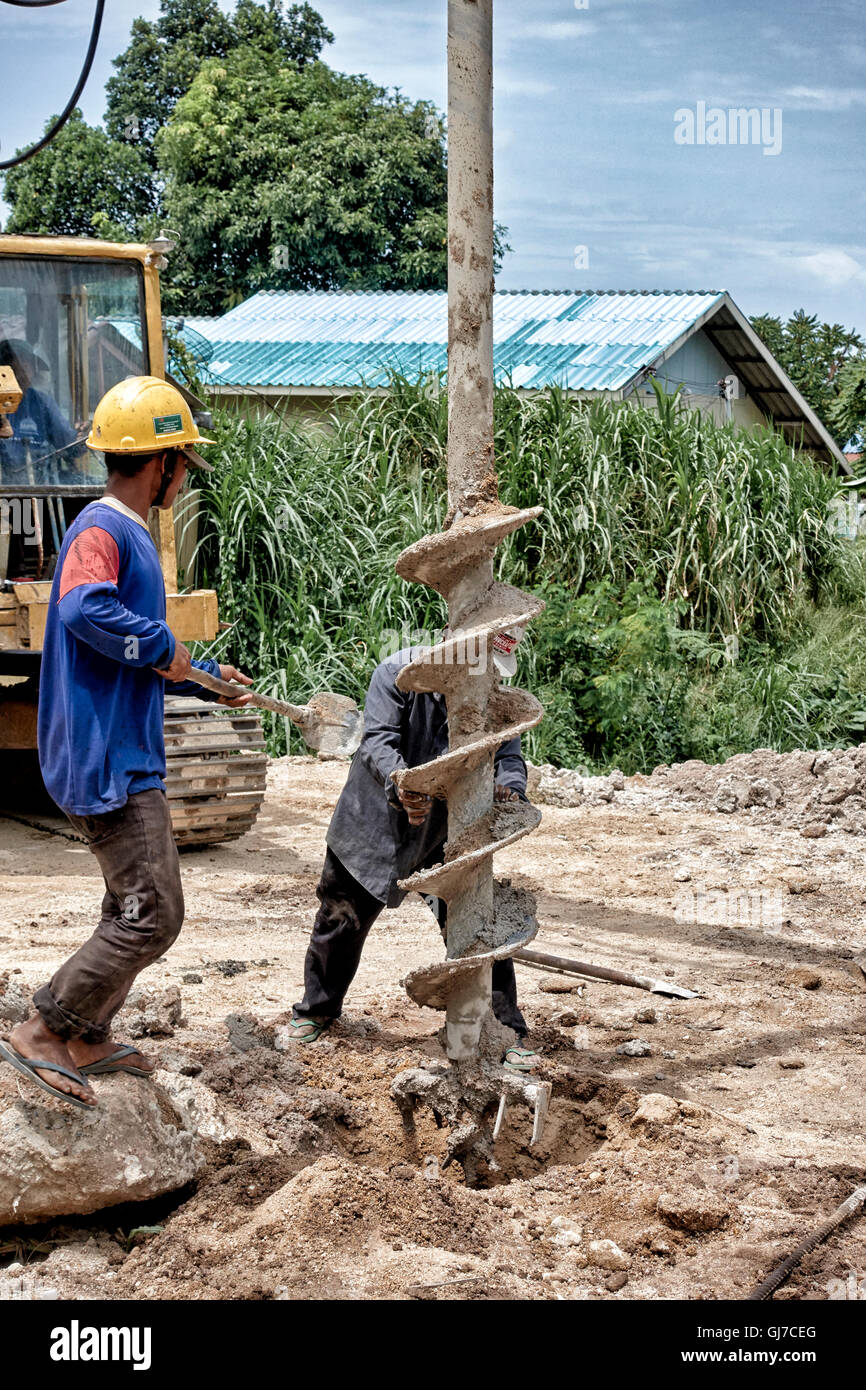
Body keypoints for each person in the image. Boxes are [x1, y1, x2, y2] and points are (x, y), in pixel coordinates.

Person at [0, 376, 253, 1112]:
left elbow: (131, 656)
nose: (183, 476)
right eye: (182, 462)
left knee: (130, 908)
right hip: (107, 755)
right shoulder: (103, 530)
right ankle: (45, 1029)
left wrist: (202, 678)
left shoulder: (124, 533)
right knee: (154, 913)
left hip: (119, 743)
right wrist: (167, 645)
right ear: (163, 462)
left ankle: (86, 1033)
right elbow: (84, 611)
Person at [290, 632, 538, 1072]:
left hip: (448, 834)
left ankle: (505, 1029)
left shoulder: (494, 700)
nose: (482, 680)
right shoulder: (396, 675)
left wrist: (511, 789)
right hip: (373, 824)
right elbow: (377, 743)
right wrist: (404, 782)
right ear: (451, 651)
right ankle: (317, 1012)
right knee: (340, 919)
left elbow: (510, 759)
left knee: (479, 926)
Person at [0, 339, 86, 483]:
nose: (23, 372)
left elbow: (69, 446)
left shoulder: (42, 403)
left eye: (27, 366)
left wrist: (82, 437)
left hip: (39, 489)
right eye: (15, 366)